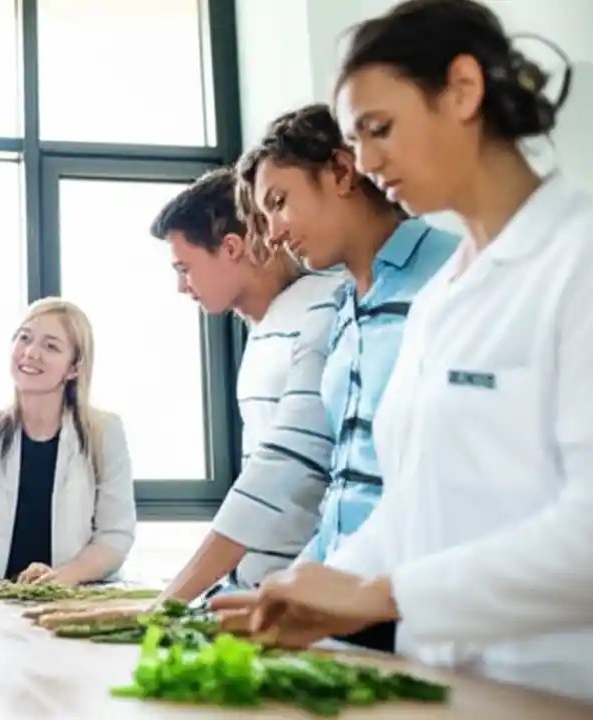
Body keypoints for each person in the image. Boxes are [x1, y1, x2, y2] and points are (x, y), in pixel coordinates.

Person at [214, 0, 593, 701]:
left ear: (462, 90)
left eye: (378, 129)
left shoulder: (578, 262)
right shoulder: (444, 296)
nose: (362, 161)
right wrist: (321, 585)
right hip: (436, 682)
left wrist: (383, 593)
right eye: (356, 141)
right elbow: (414, 504)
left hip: (557, 690)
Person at [238, 103, 459, 569]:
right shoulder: (341, 309)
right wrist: (294, 587)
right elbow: (348, 485)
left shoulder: (454, 276)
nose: (273, 233)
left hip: (420, 595)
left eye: (279, 202)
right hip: (346, 589)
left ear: (341, 171)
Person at [149, 168, 339, 602]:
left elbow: (282, 471)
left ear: (231, 247)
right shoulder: (269, 326)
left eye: (185, 268)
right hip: (262, 590)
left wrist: (170, 603)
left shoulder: (323, 307)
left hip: (303, 597)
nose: (181, 286)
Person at [0, 298, 135, 589]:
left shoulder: (104, 432)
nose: (31, 353)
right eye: (24, 338)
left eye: (51, 346)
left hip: (77, 598)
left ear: (73, 367)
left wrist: (60, 579)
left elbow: (115, 536)